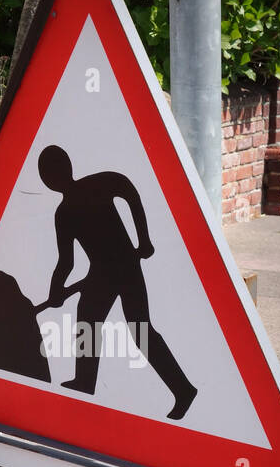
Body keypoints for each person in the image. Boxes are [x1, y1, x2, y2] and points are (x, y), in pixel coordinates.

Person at [38, 144, 197, 421]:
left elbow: (128, 191)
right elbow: (67, 262)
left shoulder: (93, 188)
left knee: (138, 329)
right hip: (101, 272)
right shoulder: (65, 211)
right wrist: (55, 292)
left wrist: (143, 238)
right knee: (88, 321)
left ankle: (183, 390)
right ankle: (84, 381)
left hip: (124, 266)